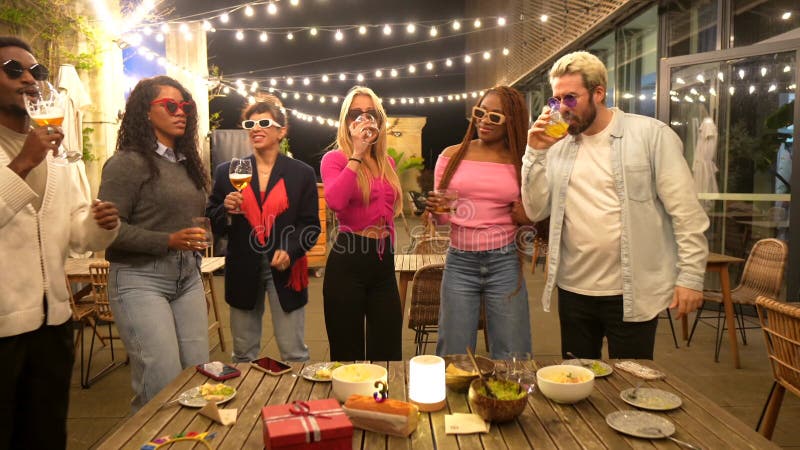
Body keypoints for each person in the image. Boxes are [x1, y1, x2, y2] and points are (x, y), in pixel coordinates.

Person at [521, 51, 709, 360]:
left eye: (570, 98)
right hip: (573, 289)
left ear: (598, 93)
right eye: (555, 101)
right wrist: (535, 152)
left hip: (632, 290)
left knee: (633, 385)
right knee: (577, 380)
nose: (561, 109)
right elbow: (535, 210)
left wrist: (690, 277)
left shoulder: (651, 136)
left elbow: (686, 214)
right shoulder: (555, 148)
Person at [0, 36, 119, 449]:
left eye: (37, 71)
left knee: (48, 435)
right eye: (13, 70)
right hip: (4, 328)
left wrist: (101, 224)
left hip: (54, 324)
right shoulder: (35, 152)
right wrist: (23, 162)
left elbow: (77, 233)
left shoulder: (56, 154)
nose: (29, 78)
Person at [98, 75, 210, 410]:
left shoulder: (187, 163)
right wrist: (169, 240)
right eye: (171, 105)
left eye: (185, 106)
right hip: (139, 279)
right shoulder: (126, 163)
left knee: (196, 375)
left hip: (187, 276)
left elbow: (194, 221)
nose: (182, 113)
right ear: (145, 112)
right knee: (161, 383)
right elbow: (109, 231)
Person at [206, 97, 319, 363]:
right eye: (250, 123)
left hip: (286, 269)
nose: (255, 128)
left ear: (282, 131)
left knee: (293, 351)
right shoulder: (230, 171)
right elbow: (212, 220)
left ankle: (296, 402)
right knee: (243, 352)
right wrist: (226, 209)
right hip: (242, 267)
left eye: (264, 123)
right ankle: (247, 402)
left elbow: (310, 225)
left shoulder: (300, 173)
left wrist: (290, 250)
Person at [429, 86, 533, 360]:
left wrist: (528, 217)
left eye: (495, 117)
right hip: (460, 262)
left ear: (512, 121)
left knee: (513, 353)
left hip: (505, 261)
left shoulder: (522, 161)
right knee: (454, 355)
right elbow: (442, 219)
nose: (484, 121)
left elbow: (535, 214)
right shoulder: (451, 156)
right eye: (480, 113)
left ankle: (511, 402)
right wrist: (435, 211)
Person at [320, 86, 403, 361]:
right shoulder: (335, 159)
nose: (364, 119)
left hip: (383, 262)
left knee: (387, 353)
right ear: (346, 122)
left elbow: (389, 211)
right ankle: (350, 404)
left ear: (380, 120)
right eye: (356, 113)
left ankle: (381, 402)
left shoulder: (387, 162)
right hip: (349, 260)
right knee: (347, 355)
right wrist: (356, 154)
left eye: (371, 113)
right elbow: (335, 201)